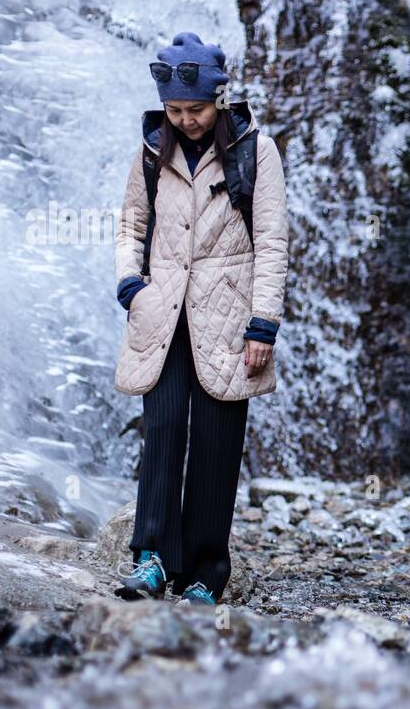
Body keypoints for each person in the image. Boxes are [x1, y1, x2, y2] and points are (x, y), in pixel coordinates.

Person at [110, 31, 288, 606]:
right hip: (162, 315)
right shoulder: (149, 148)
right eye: (174, 110)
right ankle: (153, 560)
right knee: (161, 433)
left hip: (230, 316)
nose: (185, 120)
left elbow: (273, 240)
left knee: (216, 442)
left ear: (219, 99)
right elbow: (131, 226)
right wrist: (131, 287)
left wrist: (264, 322)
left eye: (195, 109)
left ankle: (207, 575)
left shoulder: (255, 150)